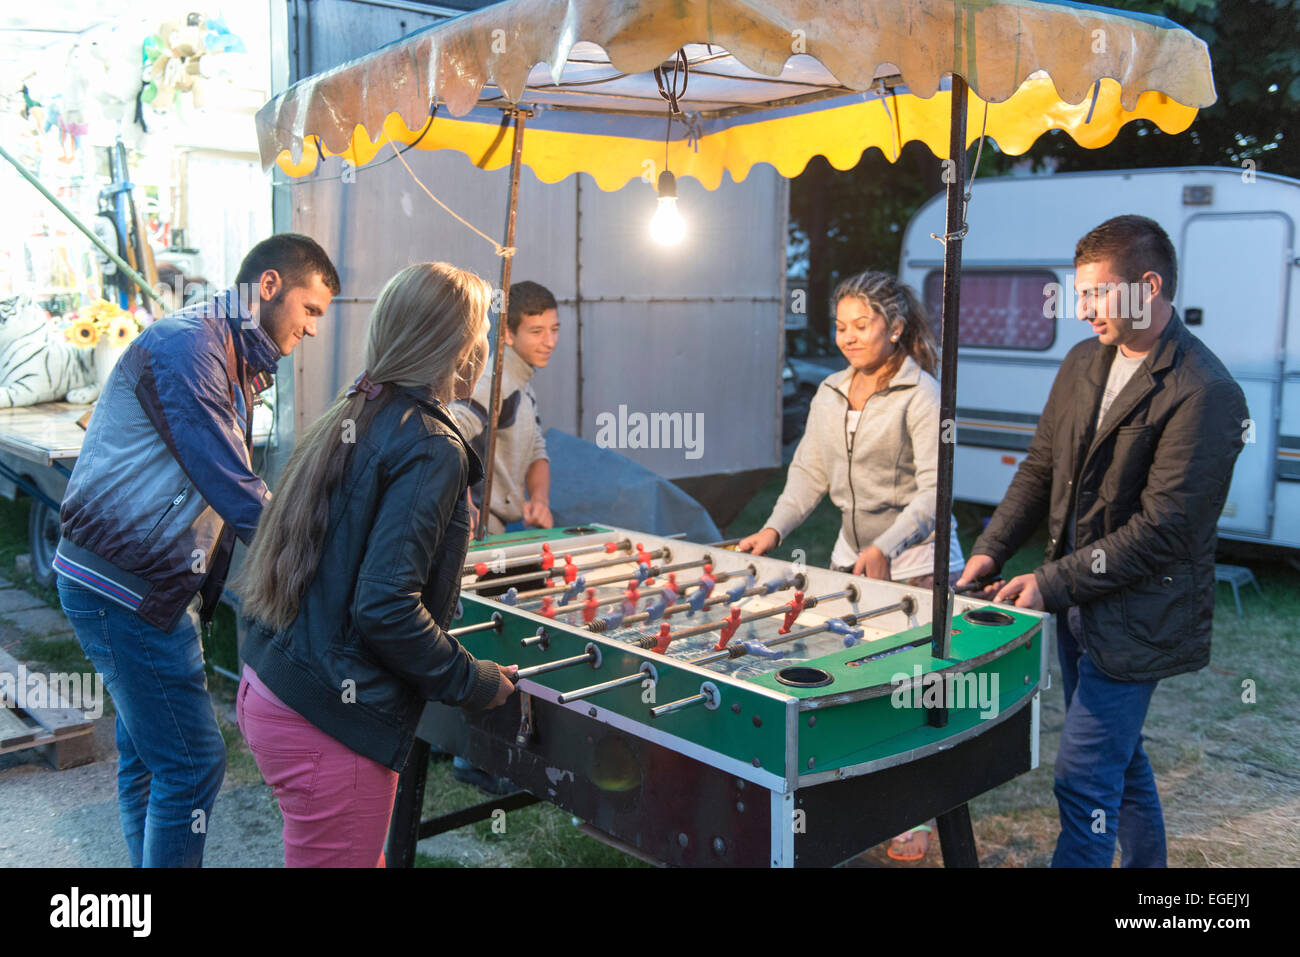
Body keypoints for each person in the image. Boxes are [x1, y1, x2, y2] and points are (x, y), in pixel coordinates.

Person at [956, 215, 1249, 867]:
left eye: (1095, 294)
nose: (1080, 309)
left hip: (1140, 614)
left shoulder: (1206, 390)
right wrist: (993, 547)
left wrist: (1049, 581)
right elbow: (1039, 465)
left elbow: (1164, 529)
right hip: (1078, 605)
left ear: (1147, 286)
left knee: (1083, 773)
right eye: (1077, 293)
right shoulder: (1084, 359)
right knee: (1120, 753)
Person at [54, 233, 340, 867]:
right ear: (269, 287)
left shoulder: (229, 350)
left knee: (149, 760)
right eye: (311, 310)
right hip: (124, 588)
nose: (314, 330)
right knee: (192, 763)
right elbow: (233, 486)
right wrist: (320, 573)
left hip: (140, 586)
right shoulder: (192, 345)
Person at [232, 262, 518, 868]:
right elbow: (385, 607)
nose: (489, 347)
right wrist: (473, 682)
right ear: (459, 347)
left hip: (276, 681)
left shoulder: (362, 401)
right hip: (327, 717)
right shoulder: (433, 447)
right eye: (484, 332)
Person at [736, 269, 962, 861]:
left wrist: (886, 545)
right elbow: (808, 472)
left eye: (862, 325)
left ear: (895, 327)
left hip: (914, 565)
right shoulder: (831, 390)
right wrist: (772, 529)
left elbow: (936, 493)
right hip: (849, 568)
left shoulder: (923, 395)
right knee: (858, 692)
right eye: (840, 326)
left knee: (915, 699)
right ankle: (852, 802)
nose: (849, 337)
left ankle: (916, 814)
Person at [450, 280, 558, 535]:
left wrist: (540, 502)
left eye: (554, 329)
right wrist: (460, 503)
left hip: (496, 530)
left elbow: (536, 452)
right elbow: (448, 436)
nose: (550, 341)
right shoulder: (491, 382)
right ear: (508, 334)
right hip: (473, 532)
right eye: (537, 332)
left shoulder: (522, 385)